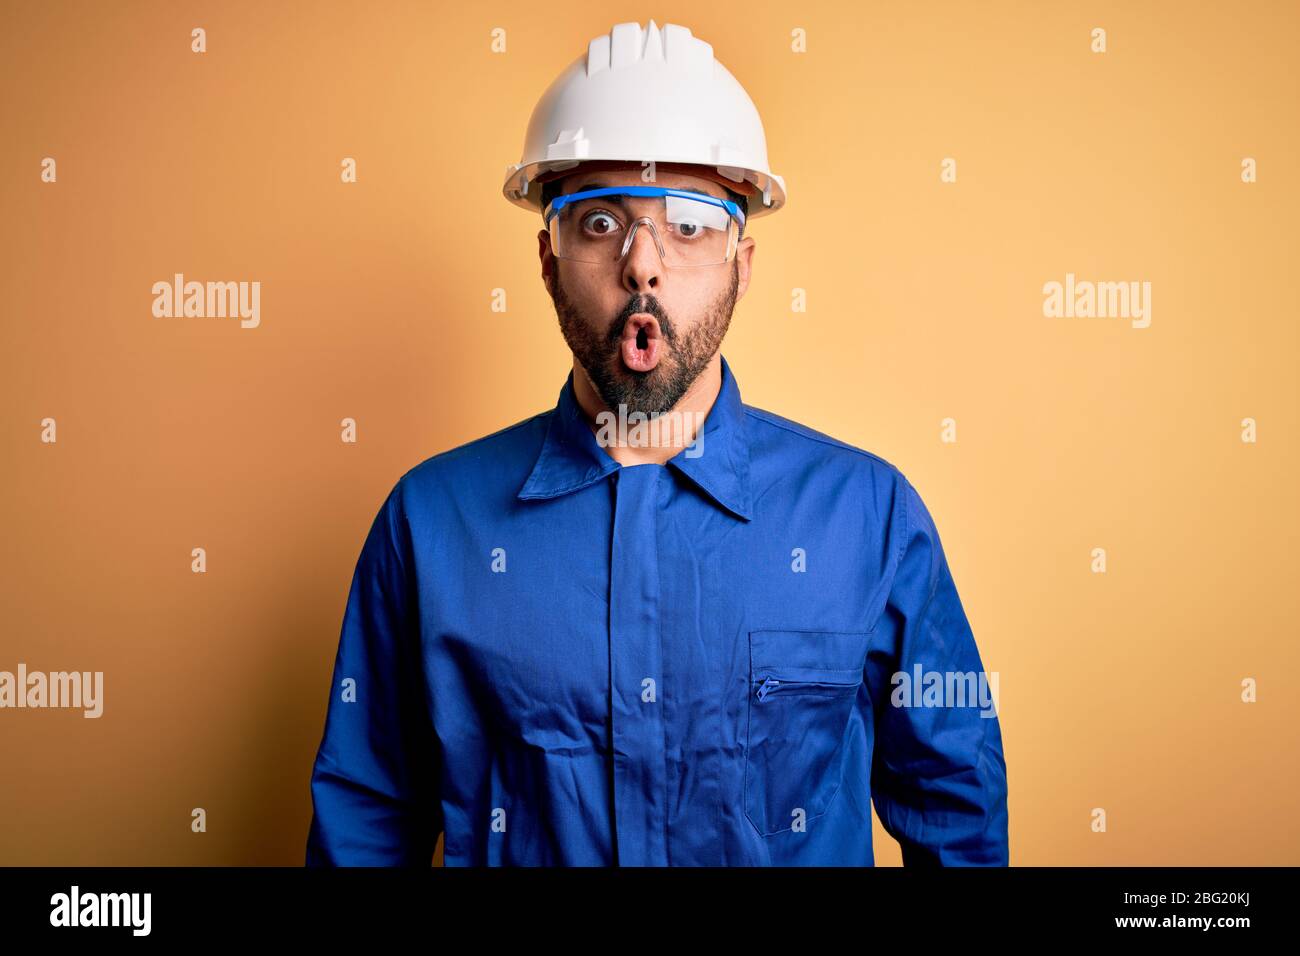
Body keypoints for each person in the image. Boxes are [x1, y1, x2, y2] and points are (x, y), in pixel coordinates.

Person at [305, 18, 1008, 866]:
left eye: (688, 224)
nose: (642, 263)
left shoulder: (869, 517)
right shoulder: (430, 524)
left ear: (742, 264)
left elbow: (956, 811)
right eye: (600, 223)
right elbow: (364, 826)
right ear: (548, 259)